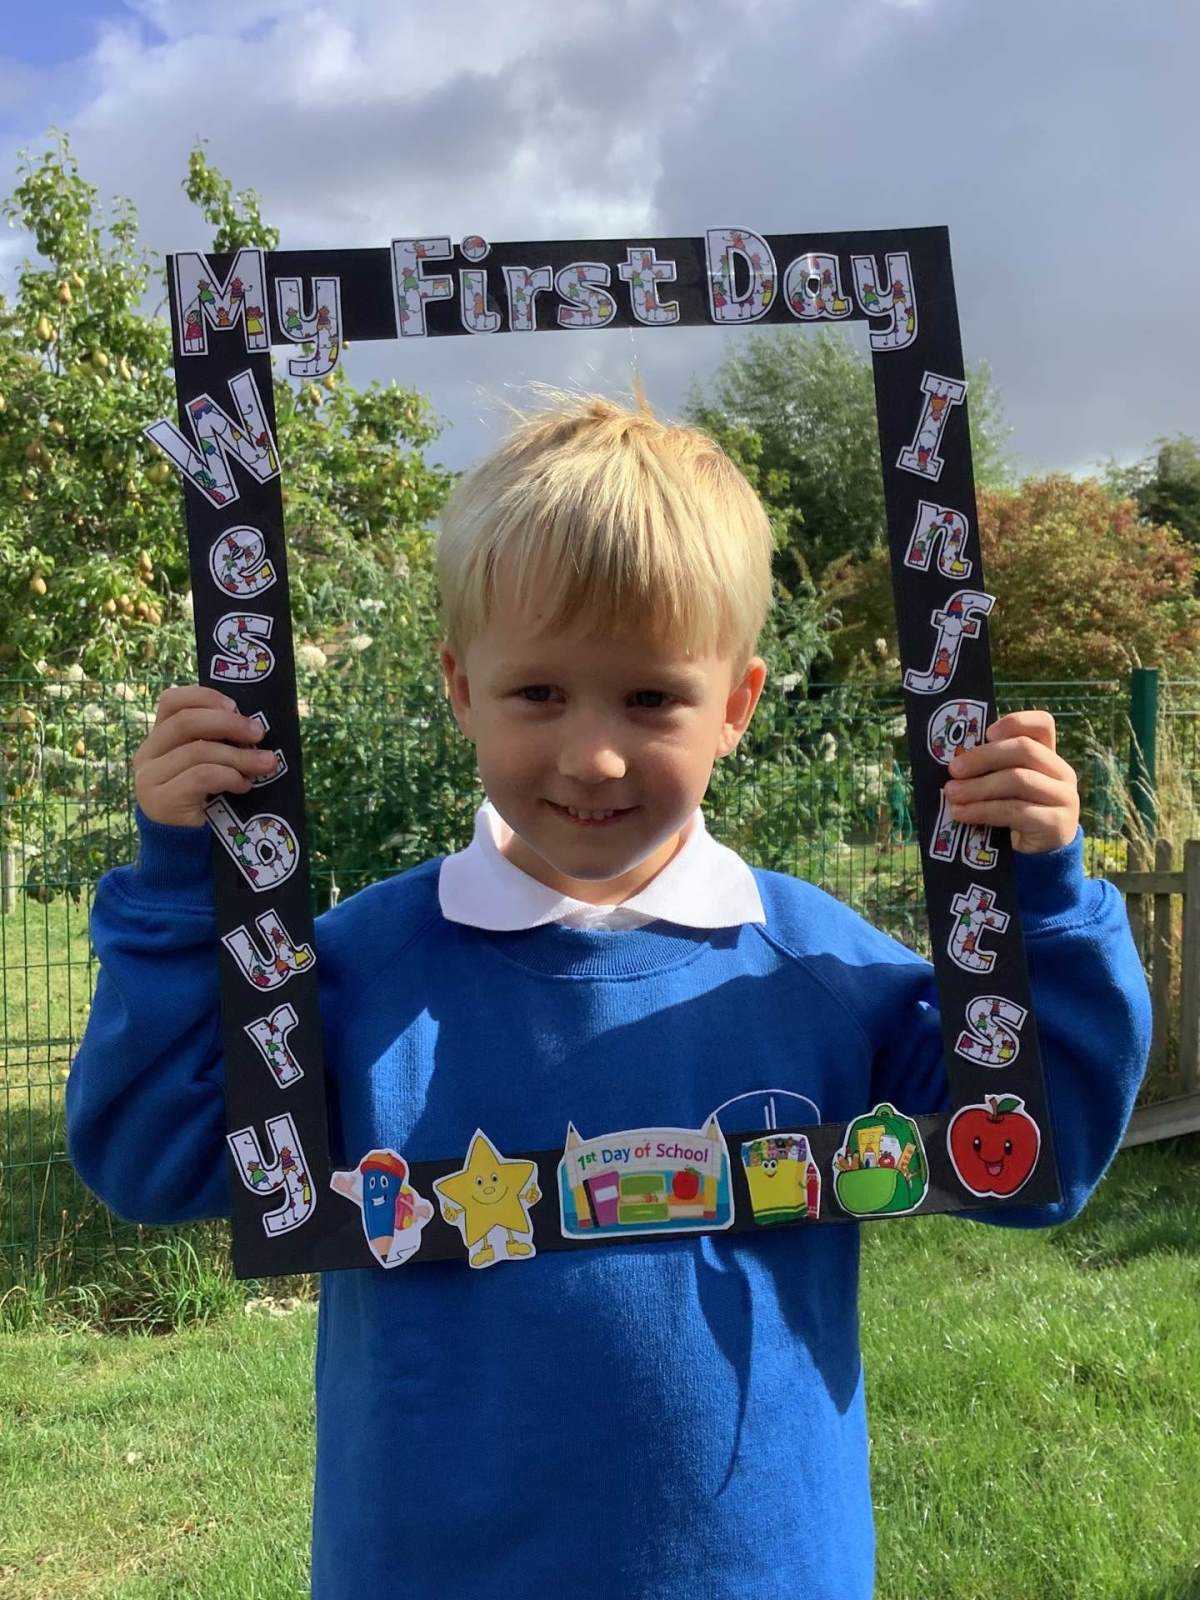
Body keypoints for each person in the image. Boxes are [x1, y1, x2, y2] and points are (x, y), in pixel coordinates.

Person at [66, 389, 1152, 1599]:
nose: (593, 754)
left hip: (762, 1571)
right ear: (461, 688)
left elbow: (1028, 1164)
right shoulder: (360, 972)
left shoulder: (817, 968)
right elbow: (156, 1155)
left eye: (649, 699)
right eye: (539, 694)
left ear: (735, 705)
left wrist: (1041, 906)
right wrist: (182, 888)